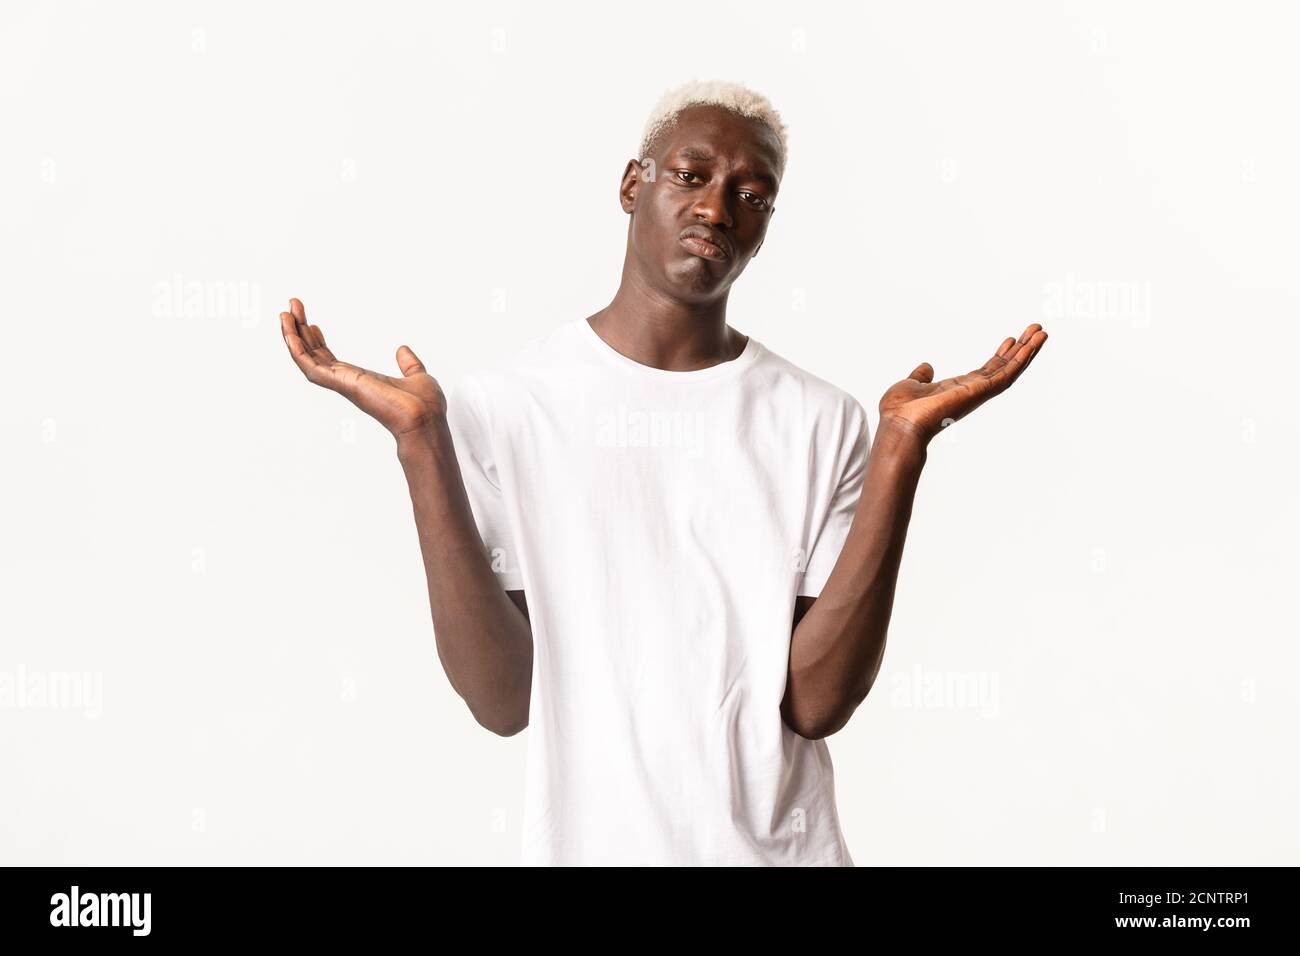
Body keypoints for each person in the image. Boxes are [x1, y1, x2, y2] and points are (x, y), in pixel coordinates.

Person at [279, 79, 1048, 866]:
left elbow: (816, 705)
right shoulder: (507, 409)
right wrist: (421, 446)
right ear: (631, 184)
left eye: (752, 194)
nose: (717, 208)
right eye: (691, 175)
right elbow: (502, 701)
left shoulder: (822, 421)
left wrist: (899, 452)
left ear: (764, 228)